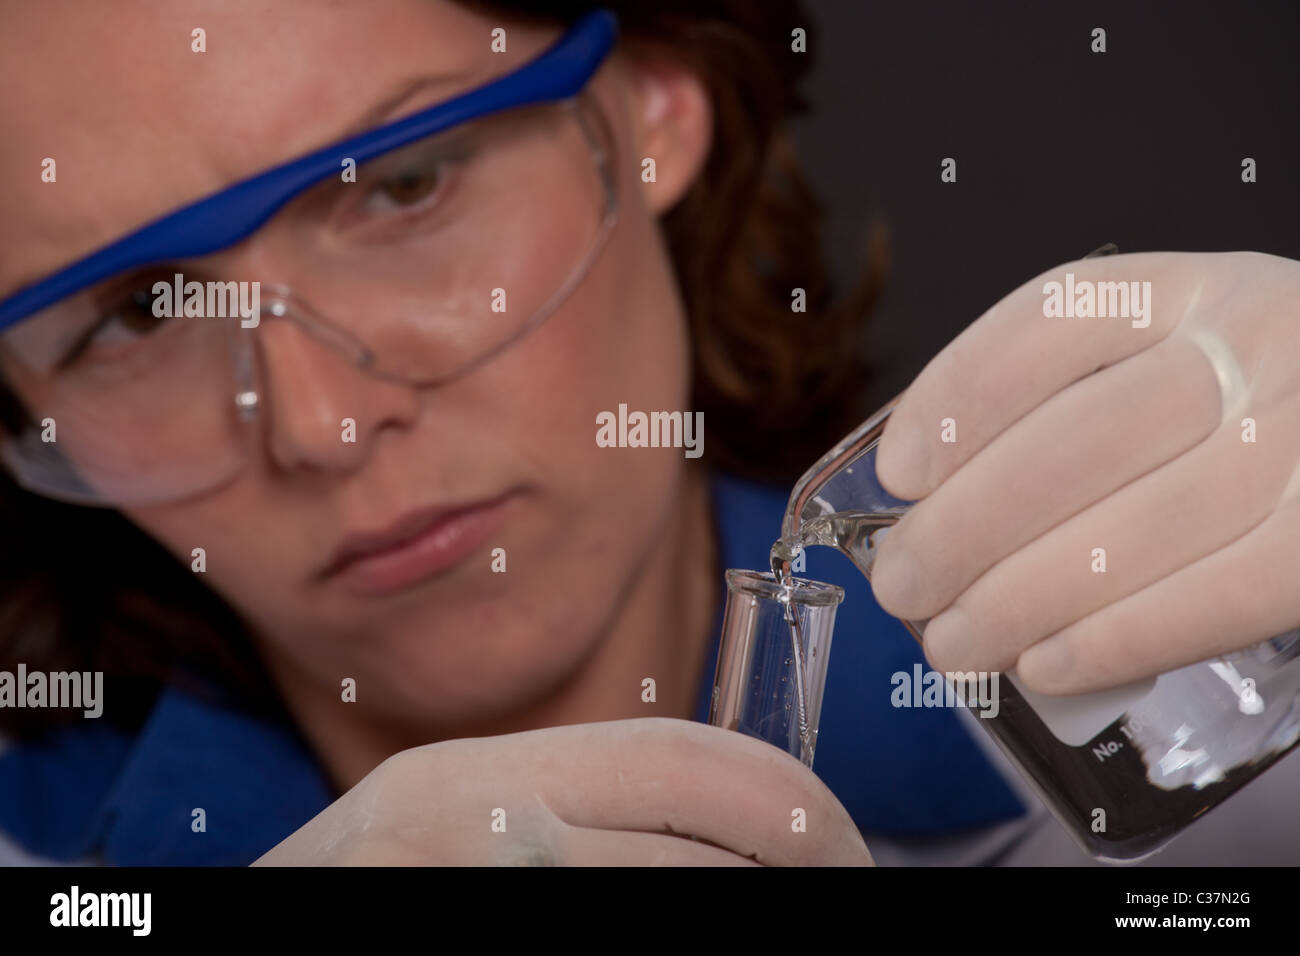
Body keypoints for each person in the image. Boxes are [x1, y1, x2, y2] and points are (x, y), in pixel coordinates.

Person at [1, 1, 1297, 866]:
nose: (324, 427)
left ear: (657, 104)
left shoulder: (1188, 737)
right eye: (135, 314)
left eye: (401, 186)